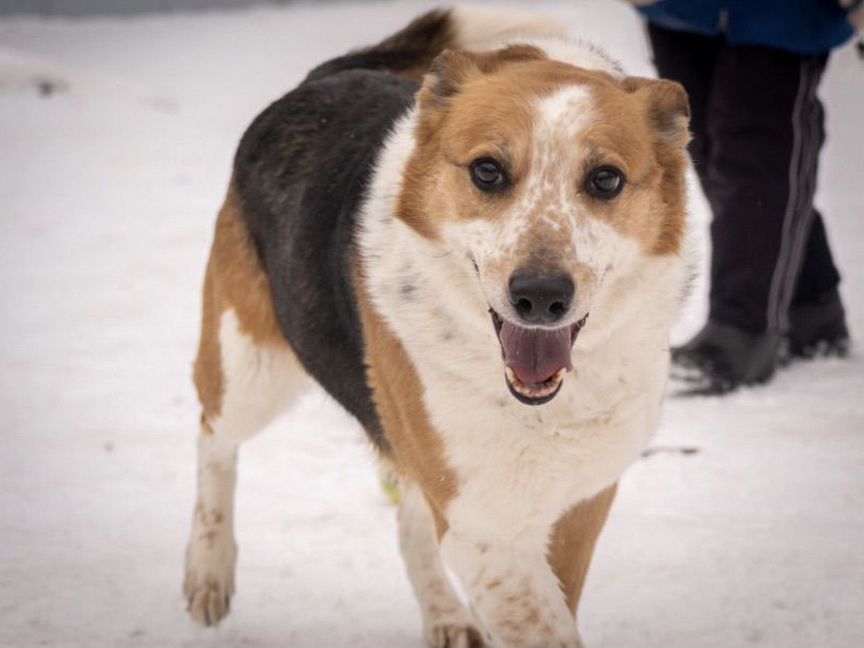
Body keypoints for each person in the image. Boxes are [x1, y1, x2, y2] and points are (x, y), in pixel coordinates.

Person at [630, 0, 861, 392]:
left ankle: (742, 327)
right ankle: (810, 305)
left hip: (785, 16)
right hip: (680, 9)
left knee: (755, 158)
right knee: (707, 151)